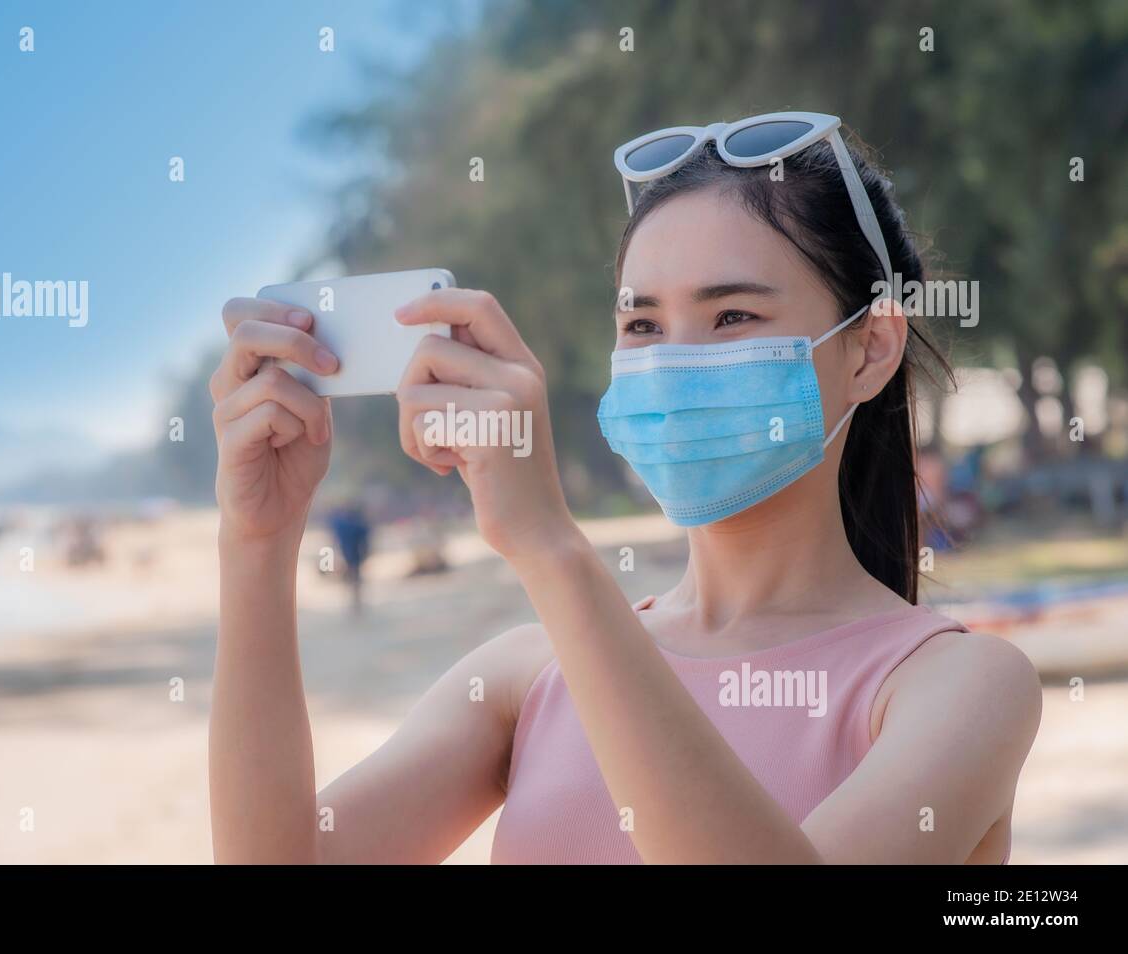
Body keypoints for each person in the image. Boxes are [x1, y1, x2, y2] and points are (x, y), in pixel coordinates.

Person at [207, 113, 1041, 864]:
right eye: (642, 325)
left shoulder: (957, 685)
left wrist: (550, 546)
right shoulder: (525, 677)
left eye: (733, 317)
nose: (673, 360)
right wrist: (257, 542)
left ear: (868, 349)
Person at [326, 503, 371, 614]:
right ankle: (355, 603)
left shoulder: (344, 526)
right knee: (354, 579)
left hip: (349, 554)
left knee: (352, 579)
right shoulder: (357, 526)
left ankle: (354, 603)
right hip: (354, 555)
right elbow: (365, 540)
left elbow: (335, 537)